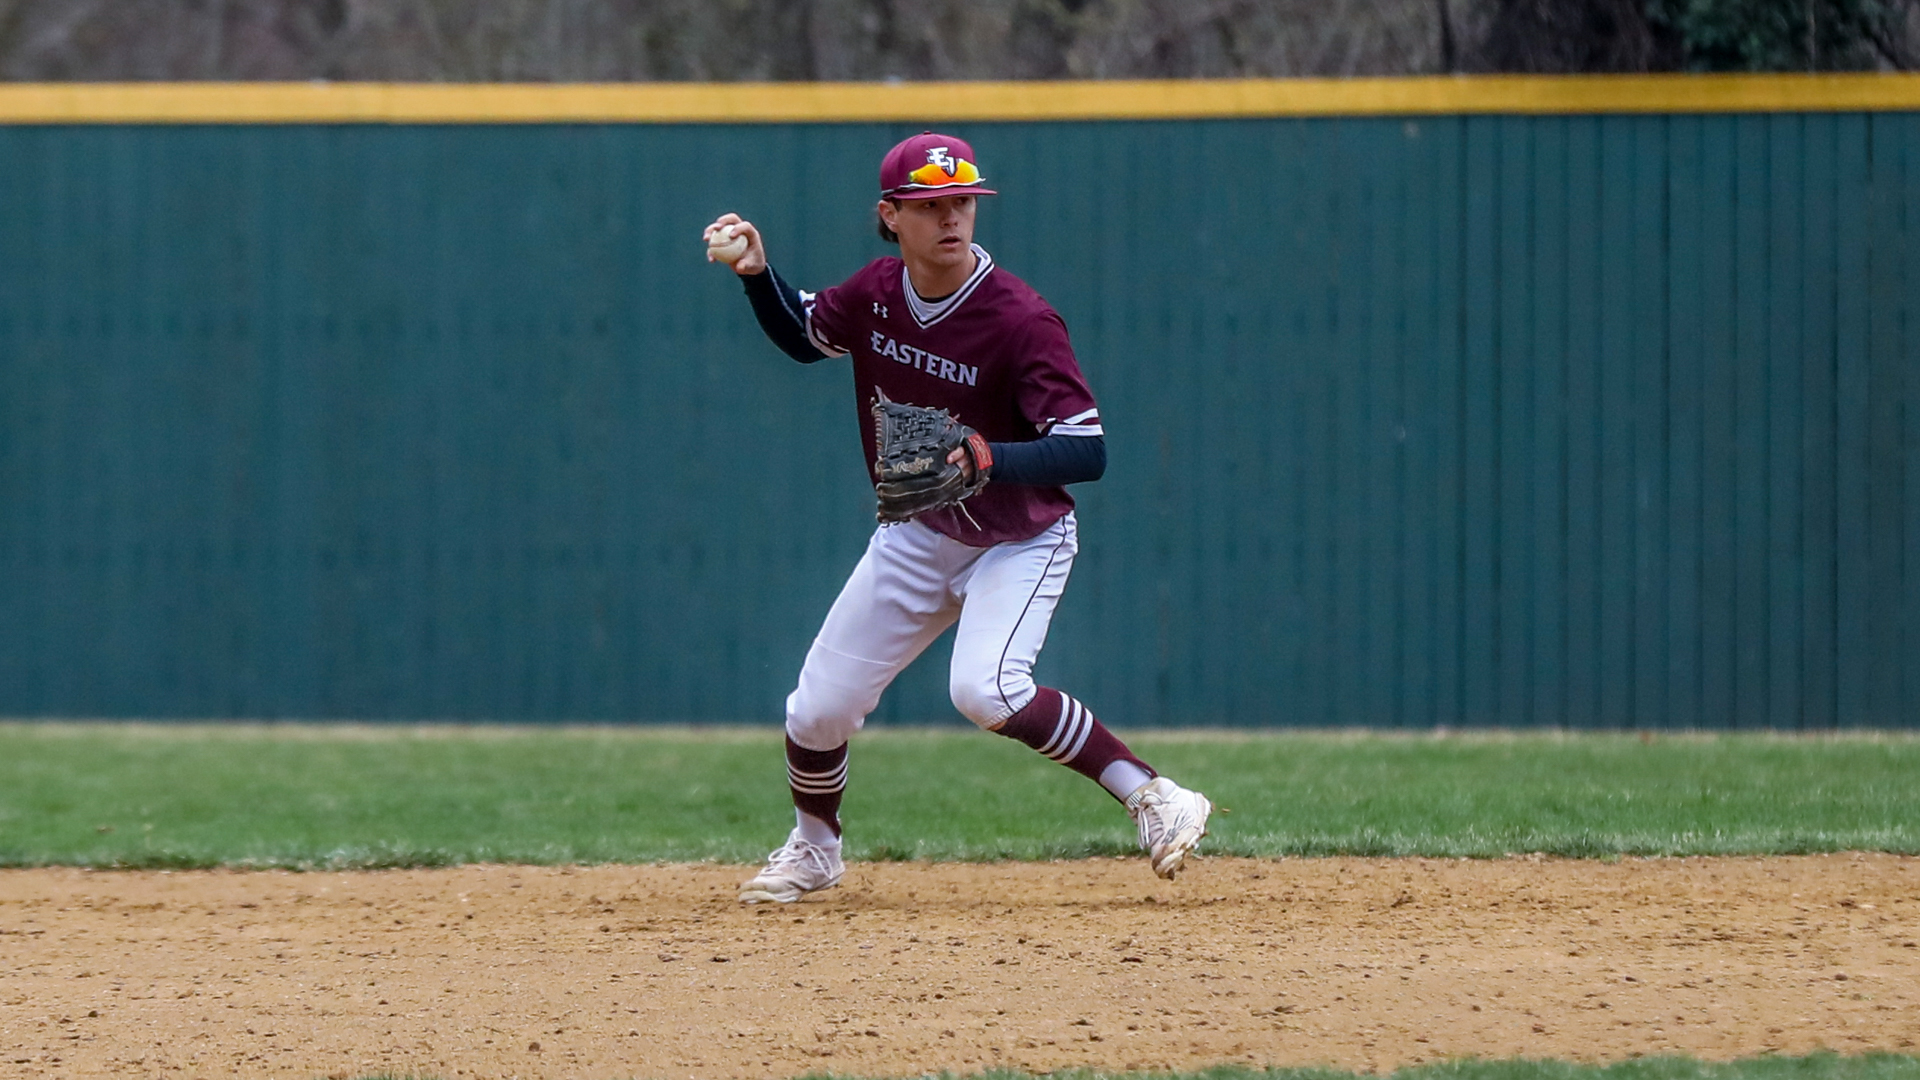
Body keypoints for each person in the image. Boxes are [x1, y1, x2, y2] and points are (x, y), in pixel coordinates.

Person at [703, 131, 1212, 904]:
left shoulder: (1020, 318)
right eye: (931, 205)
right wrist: (755, 275)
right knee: (816, 710)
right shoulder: (876, 293)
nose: (951, 218)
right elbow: (806, 336)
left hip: (1020, 537)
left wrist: (988, 458)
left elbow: (1087, 450)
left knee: (987, 690)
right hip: (920, 530)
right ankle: (815, 850)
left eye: (963, 202)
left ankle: (1155, 796)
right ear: (891, 215)